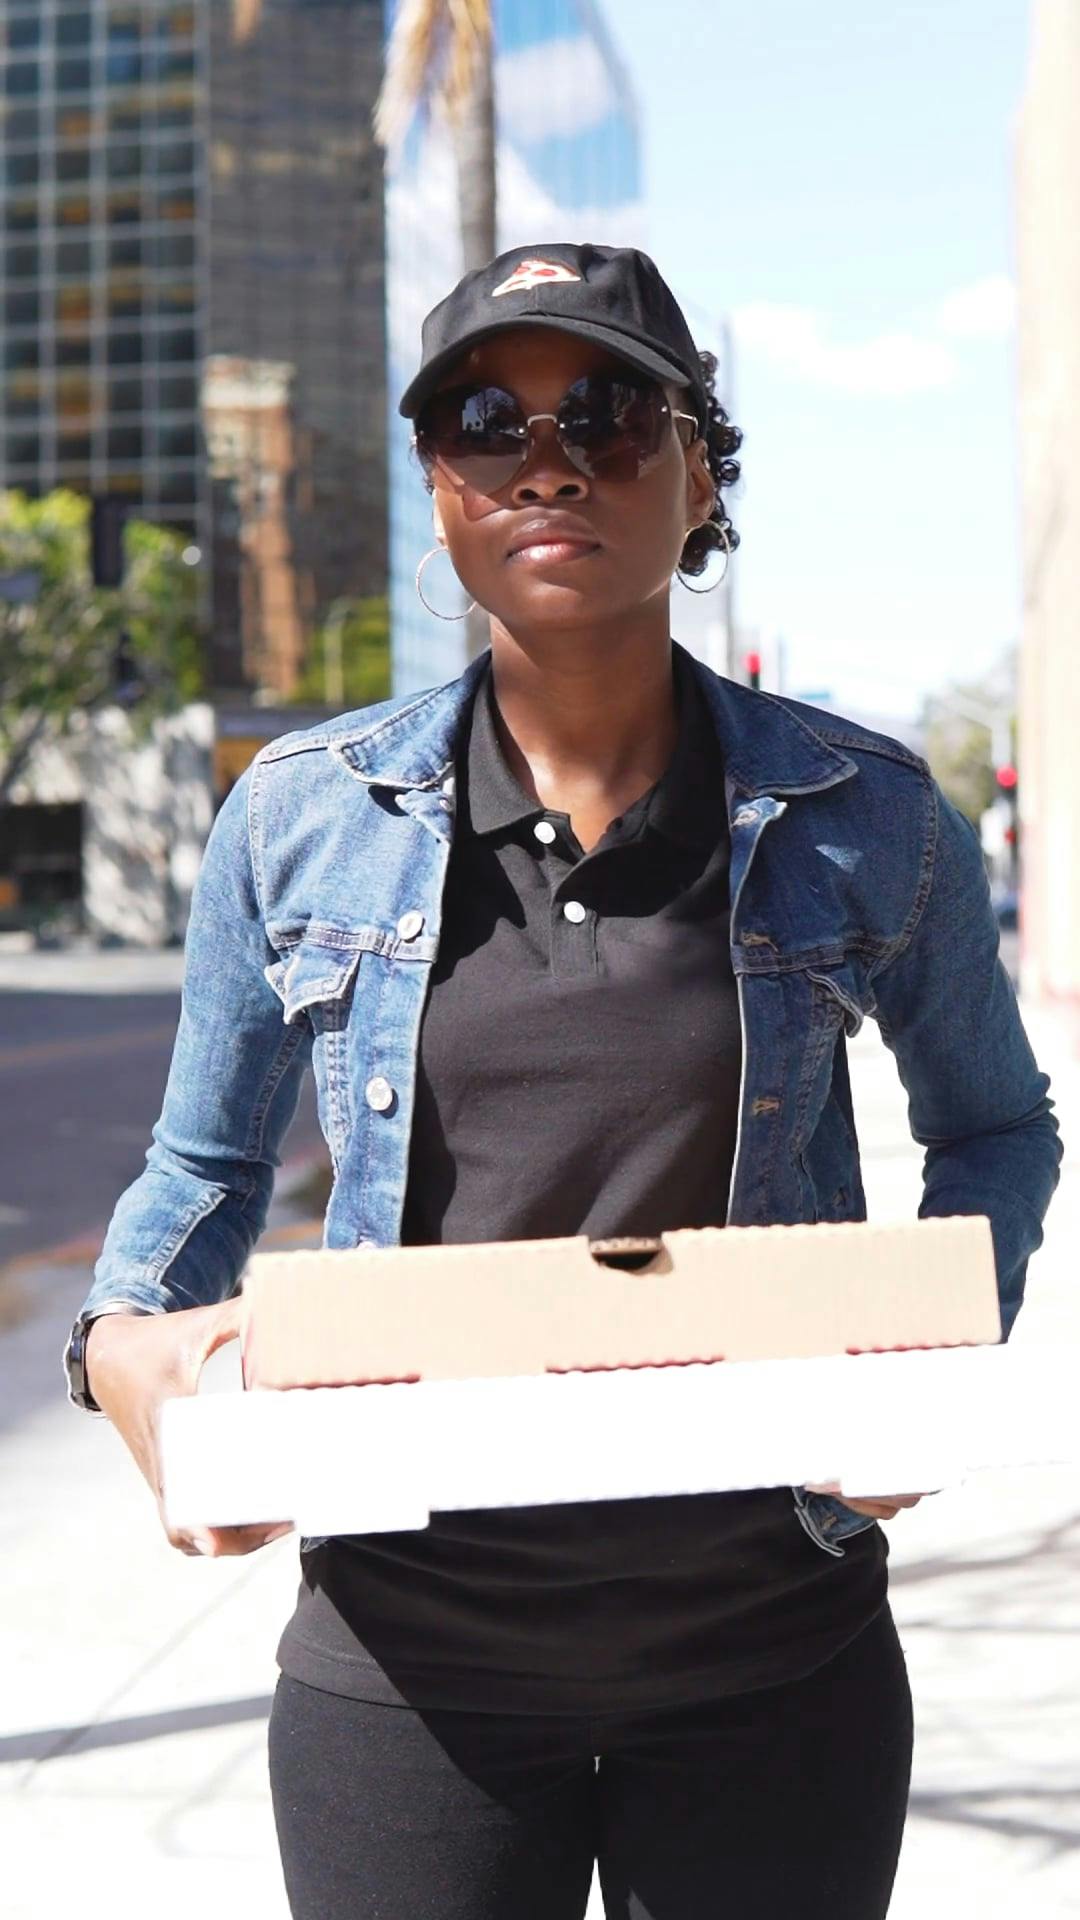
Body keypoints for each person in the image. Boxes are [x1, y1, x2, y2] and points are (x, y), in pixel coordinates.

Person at [64, 242, 1062, 1919]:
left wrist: (935, 1351)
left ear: (700, 475)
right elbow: (204, 1170)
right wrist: (120, 1346)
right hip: (408, 1672)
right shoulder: (297, 817)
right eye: (484, 423)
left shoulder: (868, 816)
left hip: (776, 1661)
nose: (544, 463)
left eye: (605, 415)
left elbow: (997, 1126)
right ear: (439, 489)